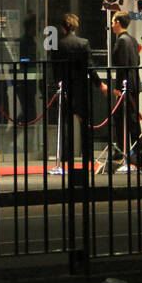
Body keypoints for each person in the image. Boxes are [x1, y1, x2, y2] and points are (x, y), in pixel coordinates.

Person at [49, 13, 107, 170]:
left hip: (64, 87)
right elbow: (90, 66)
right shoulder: (83, 43)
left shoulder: (58, 45)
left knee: (65, 123)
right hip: (81, 87)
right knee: (85, 123)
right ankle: (87, 155)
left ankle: (66, 156)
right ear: (75, 26)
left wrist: (56, 85)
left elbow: (54, 68)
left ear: (63, 28)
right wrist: (100, 84)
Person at [110, 11, 142, 171]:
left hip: (126, 87)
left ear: (118, 22)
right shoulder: (132, 40)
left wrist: (119, 88)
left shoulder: (122, 41)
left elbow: (122, 66)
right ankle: (133, 153)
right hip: (133, 84)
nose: (111, 25)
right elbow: (137, 61)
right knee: (130, 120)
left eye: (113, 22)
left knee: (126, 120)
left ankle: (131, 153)